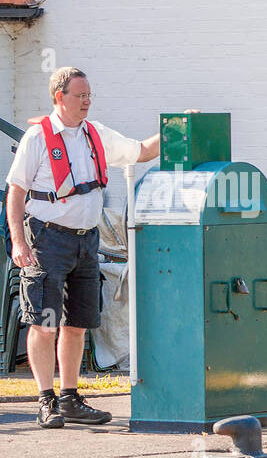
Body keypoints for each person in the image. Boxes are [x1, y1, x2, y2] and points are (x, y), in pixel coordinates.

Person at [4, 67, 159, 428]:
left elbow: (140, 152)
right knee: (44, 323)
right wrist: (18, 241)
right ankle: (46, 400)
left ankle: (71, 398)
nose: (87, 101)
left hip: (87, 241)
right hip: (46, 239)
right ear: (60, 97)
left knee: (77, 324)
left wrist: (176, 128)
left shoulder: (96, 134)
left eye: (89, 95)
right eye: (80, 95)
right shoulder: (37, 137)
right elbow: (16, 190)